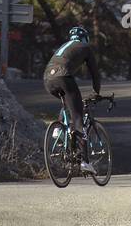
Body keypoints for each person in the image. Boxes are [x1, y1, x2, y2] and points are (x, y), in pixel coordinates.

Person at [43, 24, 102, 169]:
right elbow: (95, 72)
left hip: (47, 79)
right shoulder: (85, 47)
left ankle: (59, 128)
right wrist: (96, 92)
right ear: (84, 38)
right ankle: (85, 162)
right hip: (63, 77)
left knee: (68, 102)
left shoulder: (64, 46)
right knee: (78, 116)